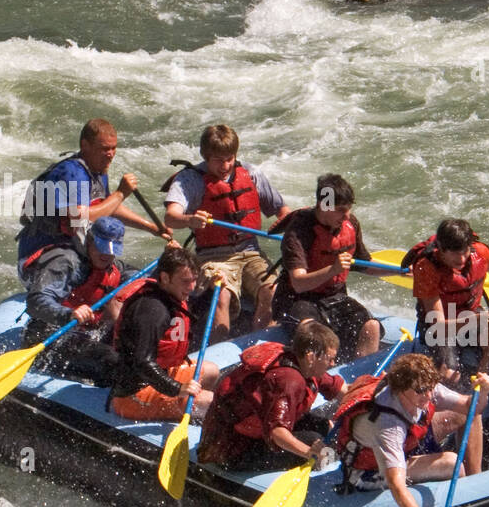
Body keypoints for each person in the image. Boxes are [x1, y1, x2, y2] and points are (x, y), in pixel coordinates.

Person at [333, 354, 489, 507]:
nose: (428, 395)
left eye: (430, 388)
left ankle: (478, 487)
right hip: (369, 472)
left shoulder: (424, 386)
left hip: (407, 444)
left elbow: (471, 406)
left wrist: (483, 392)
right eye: (420, 391)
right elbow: (396, 484)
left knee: (468, 415)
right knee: (451, 462)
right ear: (401, 390)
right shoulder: (387, 425)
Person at [162, 124, 290, 342]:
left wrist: (288, 228)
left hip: (250, 252)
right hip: (212, 257)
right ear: (206, 156)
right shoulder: (190, 179)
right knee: (222, 293)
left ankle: (261, 344)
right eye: (218, 160)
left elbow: (283, 211)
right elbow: (170, 217)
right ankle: (217, 348)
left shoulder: (251, 174)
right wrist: (189, 220)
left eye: (230, 158)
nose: (225, 165)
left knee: (270, 288)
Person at [17, 118, 165, 284]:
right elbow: (78, 216)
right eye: (104, 149)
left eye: (113, 148)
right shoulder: (71, 172)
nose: (110, 154)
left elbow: (109, 207)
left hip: (76, 253)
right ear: (85, 145)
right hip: (43, 262)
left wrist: (151, 228)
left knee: (136, 279)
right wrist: (120, 193)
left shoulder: (99, 169)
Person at [197, 321, 346, 471]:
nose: (333, 364)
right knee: (314, 442)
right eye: (329, 359)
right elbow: (277, 433)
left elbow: (342, 390)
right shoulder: (288, 381)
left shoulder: (304, 364)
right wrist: (309, 453)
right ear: (311, 357)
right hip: (233, 451)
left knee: (323, 426)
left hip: (257, 432)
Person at [271, 174, 380, 362]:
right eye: (340, 210)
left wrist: (400, 271)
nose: (346, 216)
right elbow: (298, 283)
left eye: (349, 209)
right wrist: (333, 269)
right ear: (324, 205)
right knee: (314, 336)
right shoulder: (298, 231)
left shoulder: (350, 223)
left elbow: (365, 265)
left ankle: (360, 381)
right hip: (298, 300)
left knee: (372, 326)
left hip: (334, 297)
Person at [108, 245, 220, 421]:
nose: (191, 287)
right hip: (135, 394)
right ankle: (186, 414)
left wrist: (212, 290)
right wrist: (177, 389)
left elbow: (192, 317)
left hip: (163, 375)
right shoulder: (152, 310)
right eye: (185, 281)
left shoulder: (170, 295)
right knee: (212, 402)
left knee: (212, 370)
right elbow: (142, 363)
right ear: (165, 278)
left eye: (194, 280)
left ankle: (189, 416)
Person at [21, 216, 133, 384]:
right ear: (89, 240)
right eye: (101, 248)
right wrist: (69, 314)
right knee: (112, 360)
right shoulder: (65, 262)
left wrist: (167, 262)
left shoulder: (113, 265)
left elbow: (138, 276)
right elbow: (36, 300)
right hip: (49, 337)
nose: (106, 255)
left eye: (112, 250)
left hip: (84, 335)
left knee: (132, 349)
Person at [404, 218, 489, 380]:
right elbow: (438, 326)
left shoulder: (481, 252)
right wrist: (478, 319)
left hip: (471, 314)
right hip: (440, 326)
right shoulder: (426, 268)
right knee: (449, 376)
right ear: (441, 249)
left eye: (465, 252)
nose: (462, 259)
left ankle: (481, 375)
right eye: (455, 253)